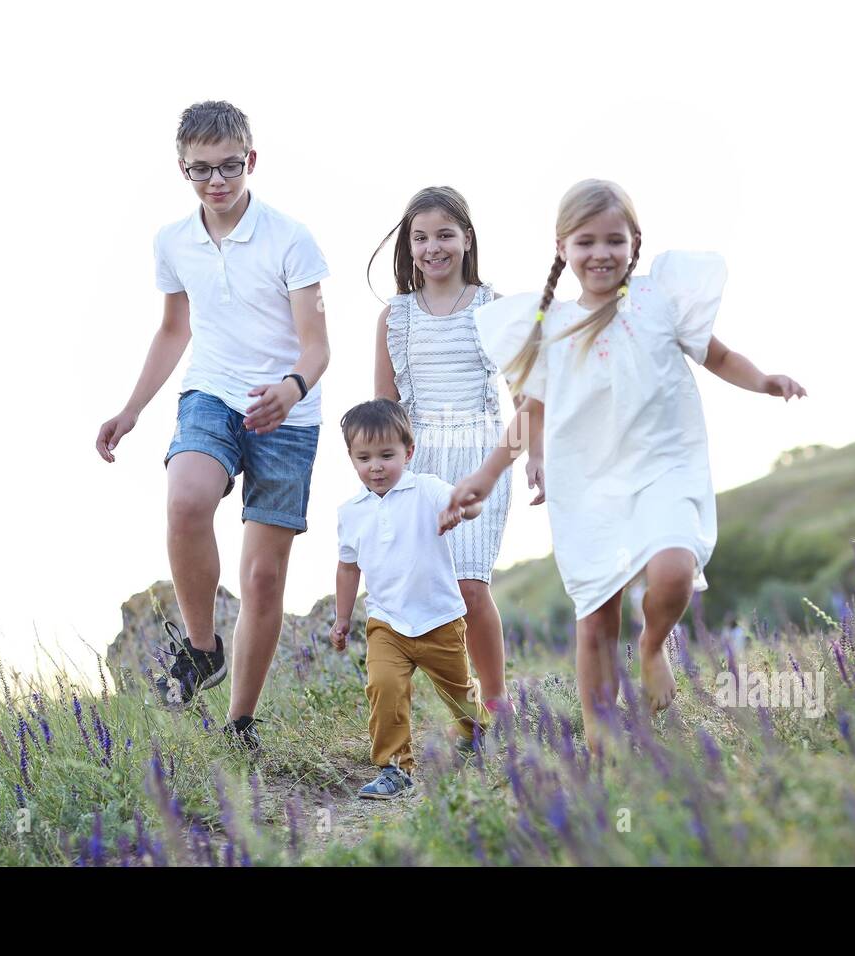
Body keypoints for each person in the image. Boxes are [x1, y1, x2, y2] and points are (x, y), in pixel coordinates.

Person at [448, 179, 807, 752]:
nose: (601, 253)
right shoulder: (550, 327)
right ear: (562, 247)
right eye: (586, 242)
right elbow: (531, 412)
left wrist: (764, 380)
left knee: (674, 570)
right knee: (597, 616)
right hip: (587, 484)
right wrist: (488, 474)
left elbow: (717, 355)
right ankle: (602, 747)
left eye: (614, 240)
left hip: (663, 467)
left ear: (635, 242)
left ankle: (653, 645)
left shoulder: (660, 299)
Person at [94, 101, 331, 749]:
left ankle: (240, 722)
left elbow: (317, 346)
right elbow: (174, 330)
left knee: (262, 578)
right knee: (187, 499)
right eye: (201, 169)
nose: (216, 180)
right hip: (211, 394)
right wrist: (132, 409)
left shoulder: (292, 239)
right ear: (183, 169)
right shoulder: (172, 242)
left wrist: (291, 389)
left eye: (229, 166)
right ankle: (202, 648)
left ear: (251, 160)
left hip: (288, 410)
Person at [370, 186, 542, 714]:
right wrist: (379, 471)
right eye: (420, 238)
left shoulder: (493, 308)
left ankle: (496, 701)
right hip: (417, 460)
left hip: (480, 454)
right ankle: (461, 709)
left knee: (469, 584)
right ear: (409, 245)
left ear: (467, 238)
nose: (432, 248)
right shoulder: (395, 318)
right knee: (429, 590)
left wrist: (536, 455)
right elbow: (384, 408)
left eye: (444, 235)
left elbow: (526, 396)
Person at [332, 400, 490, 799]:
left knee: (459, 692)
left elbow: (471, 504)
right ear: (351, 459)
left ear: (409, 452)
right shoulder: (350, 512)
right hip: (386, 623)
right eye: (364, 458)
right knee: (383, 686)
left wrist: (464, 508)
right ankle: (394, 768)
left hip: (439, 619)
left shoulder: (427, 489)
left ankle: (477, 728)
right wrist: (342, 618)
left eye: (387, 455)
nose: (376, 467)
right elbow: (348, 568)